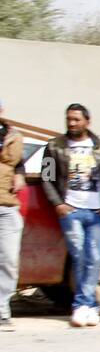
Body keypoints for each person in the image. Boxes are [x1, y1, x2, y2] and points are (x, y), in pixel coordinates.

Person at [41, 104, 100, 329]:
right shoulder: (55, 146)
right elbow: (47, 177)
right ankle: (87, 306)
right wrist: (58, 204)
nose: (72, 123)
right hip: (71, 210)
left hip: (96, 212)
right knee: (79, 256)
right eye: (69, 119)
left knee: (94, 258)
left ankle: (85, 305)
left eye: (76, 119)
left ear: (87, 121)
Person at [0, 100, 25, 332]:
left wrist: (20, 173)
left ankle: (2, 311)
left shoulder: (13, 136)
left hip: (7, 205)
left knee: (8, 260)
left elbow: (20, 162)